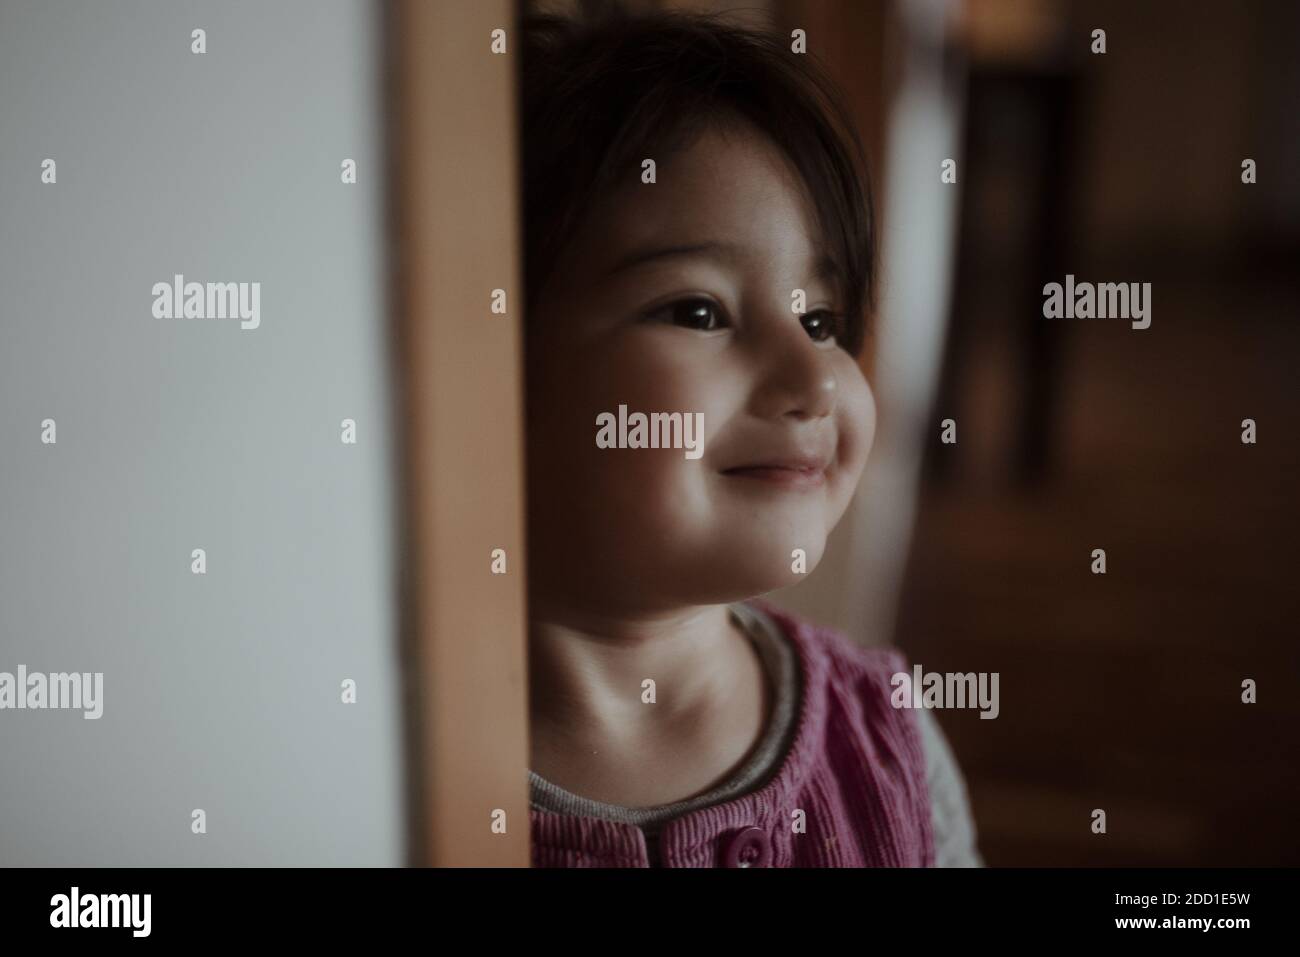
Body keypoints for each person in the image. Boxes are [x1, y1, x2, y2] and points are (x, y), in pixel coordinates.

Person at [519, 5, 982, 868]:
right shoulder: (385, 772)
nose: (814, 380)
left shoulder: (890, 739)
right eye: (699, 310)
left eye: (820, 318)